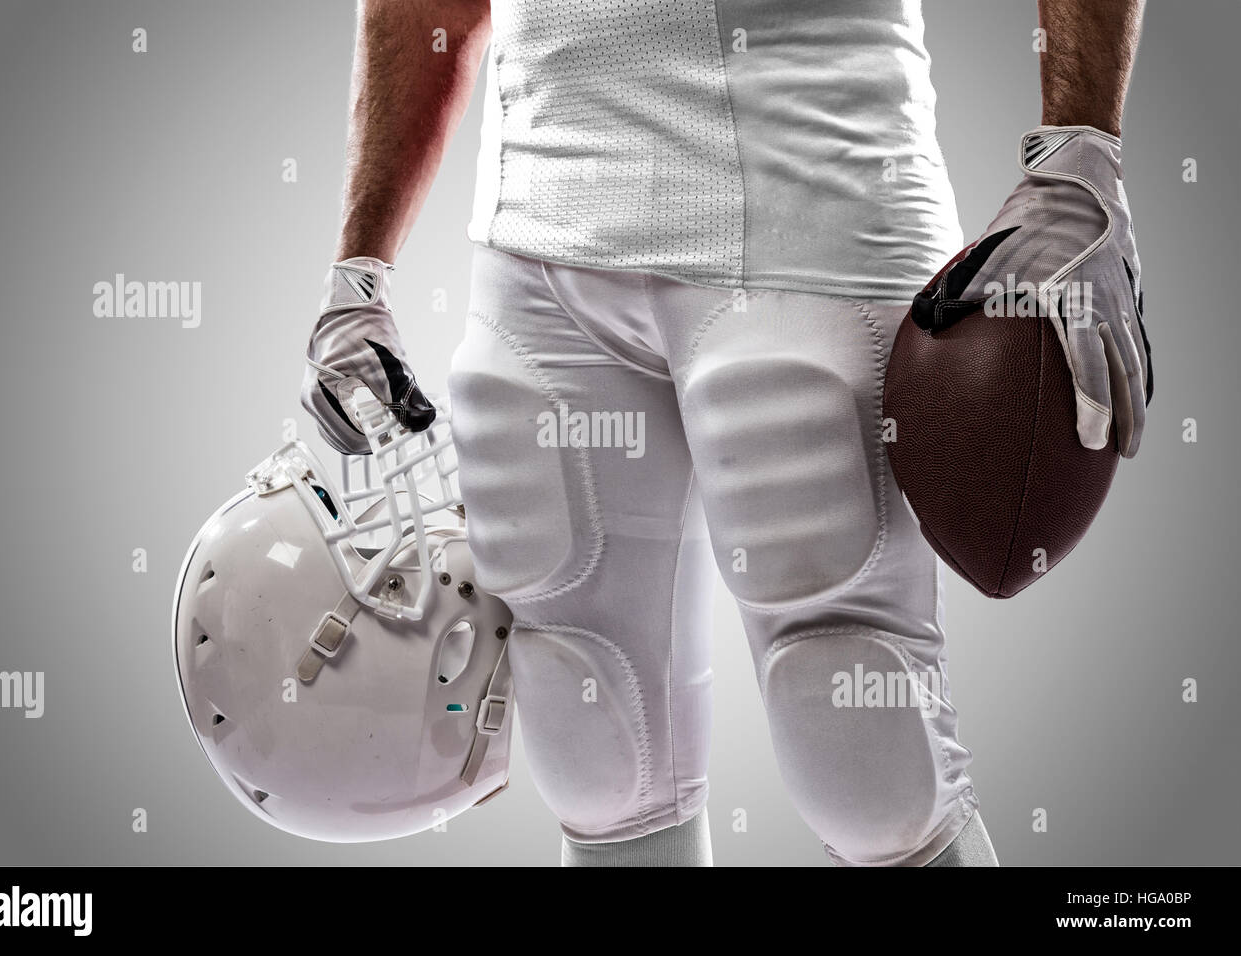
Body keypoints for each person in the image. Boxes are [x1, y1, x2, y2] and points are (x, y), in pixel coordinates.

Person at [301, 0, 1149, 866]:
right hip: (536, 257)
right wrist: (359, 270)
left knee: (868, 762)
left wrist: (1082, 152)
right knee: (596, 757)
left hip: (812, 223)